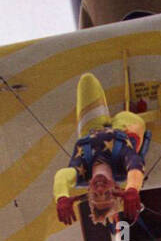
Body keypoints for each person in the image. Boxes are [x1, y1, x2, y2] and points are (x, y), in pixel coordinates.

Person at [54, 71, 147, 227]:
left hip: (91, 129)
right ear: (117, 188)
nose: (100, 188)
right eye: (107, 193)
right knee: (130, 117)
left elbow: (62, 176)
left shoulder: (82, 172)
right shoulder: (122, 168)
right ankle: (133, 110)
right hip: (125, 129)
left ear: (89, 190)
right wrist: (132, 189)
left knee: (86, 80)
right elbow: (136, 165)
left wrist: (61, 197)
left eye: (96, 195)